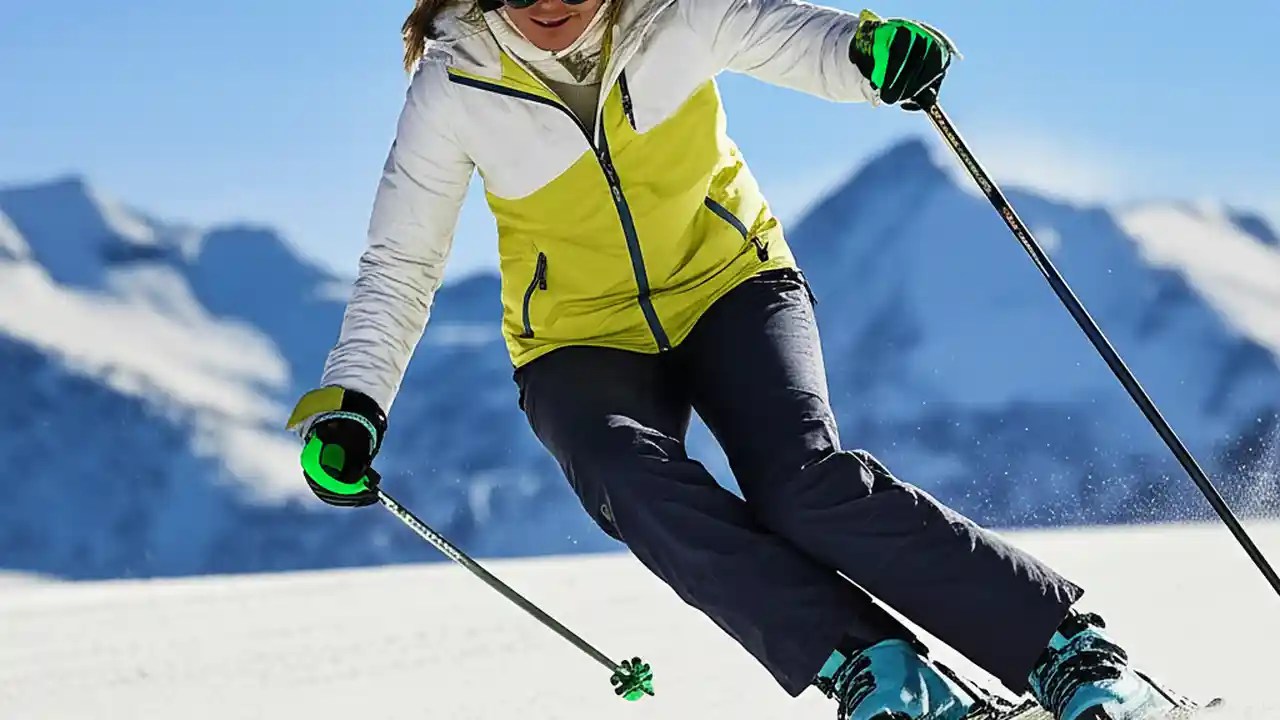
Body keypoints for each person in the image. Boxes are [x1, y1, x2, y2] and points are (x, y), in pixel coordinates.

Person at [285, 1, 1189, 718]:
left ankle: (1062, 652)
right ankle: (871, 671)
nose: (550, 2)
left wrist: (869, 53)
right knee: (626, 479)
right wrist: (356, 397)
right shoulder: (454, 82)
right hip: (576, 336)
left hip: (730, 283)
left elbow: (796, 36)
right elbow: (401, 260)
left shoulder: (676, 10)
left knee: (800, 481)